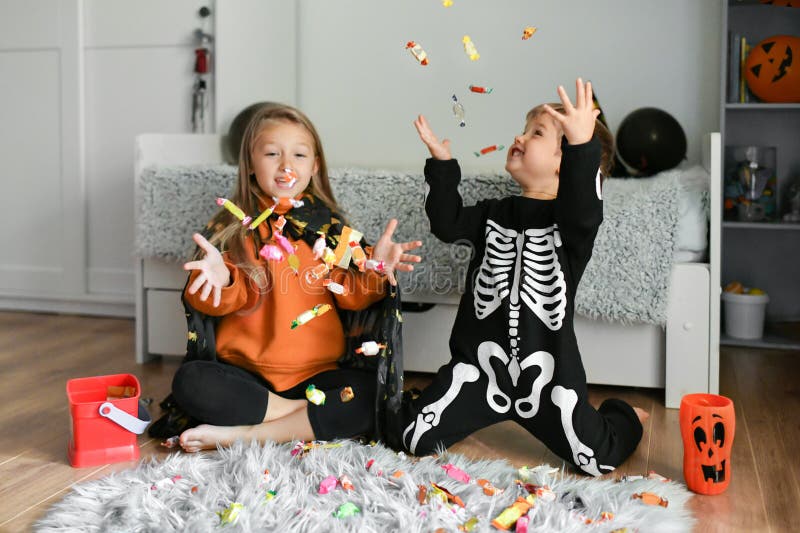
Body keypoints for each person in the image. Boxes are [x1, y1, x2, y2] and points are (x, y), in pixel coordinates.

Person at [403, 79, 648, 476]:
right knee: (411, 437)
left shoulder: (572, 228)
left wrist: (582, 144)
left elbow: (585, 206)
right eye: (524, 129)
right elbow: (446, 223)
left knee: (597, 459)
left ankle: (625, 414)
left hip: (549, 380)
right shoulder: (492, 213)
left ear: (564, 163)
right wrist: (443, 165)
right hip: (479, 372)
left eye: (536, 133)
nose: (518, 137)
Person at [170, 103, 422, 452]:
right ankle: (299, 418)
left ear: (315, 165)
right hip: (247, 376)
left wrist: (375, 269)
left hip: (318, 375)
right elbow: (211, 304)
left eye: (299, 155)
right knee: (192, 381)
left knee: (371, 394)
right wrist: (222, 281)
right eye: (272, 153)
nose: (286, 165)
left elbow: (355, 297)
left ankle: (243, 435)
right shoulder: (233, 230)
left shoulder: (333, 231)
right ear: (250, 164)